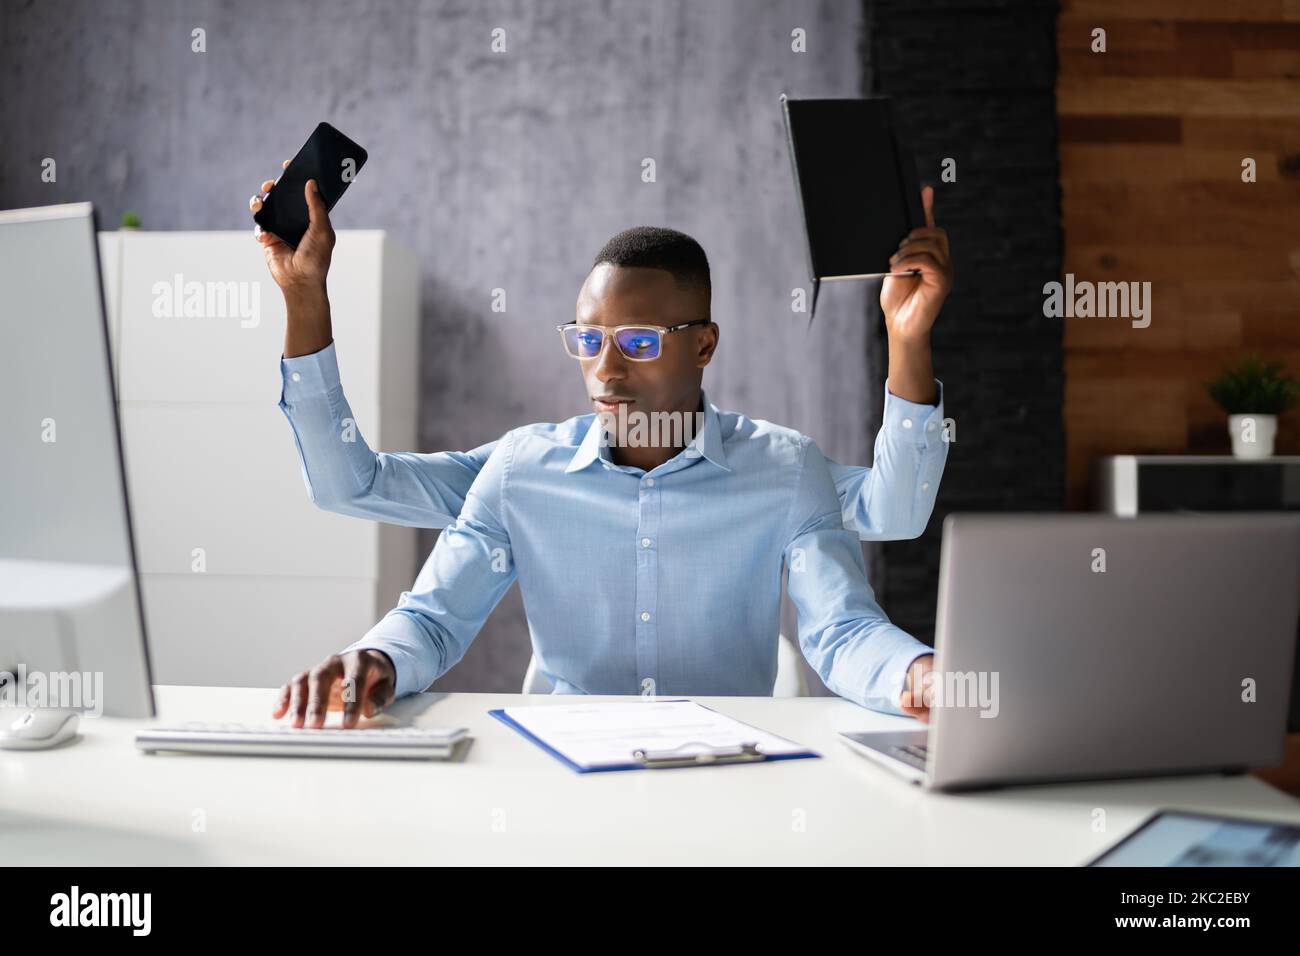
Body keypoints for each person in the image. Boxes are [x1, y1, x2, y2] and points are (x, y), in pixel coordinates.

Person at [248, 166, 954, 729]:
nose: (606, 372)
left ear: (704, 345)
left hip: (727, 781)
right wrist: (375, 659)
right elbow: (429, 611)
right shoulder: (523, 471)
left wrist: (913, 673)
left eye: (640, 344)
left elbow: (845, 628)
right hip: (564, 776)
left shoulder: (781, 469)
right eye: (588, 341)